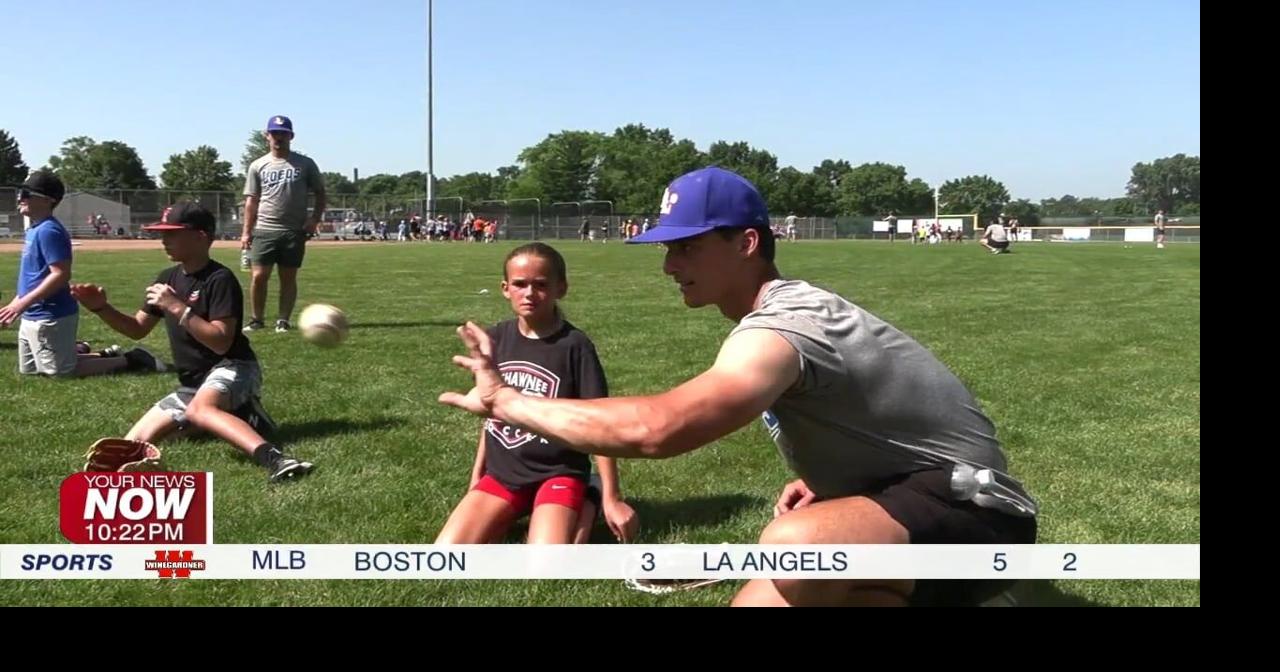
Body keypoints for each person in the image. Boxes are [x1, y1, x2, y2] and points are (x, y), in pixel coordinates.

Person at [440, 167, 1038, 606]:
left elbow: (658, 429)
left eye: (687, 246)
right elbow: (888, 415)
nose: (670, 265)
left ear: (746, 243)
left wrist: (506, 402)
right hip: (916, 499)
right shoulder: (776, 316)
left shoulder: (785, 326)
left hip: (981, 517)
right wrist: (830, 481)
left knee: (796, 543)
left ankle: (982, 592)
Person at [71, 202, 313, 483]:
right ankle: (241, 414)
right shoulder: (167, 278)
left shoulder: (219, 279)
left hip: (232, 366)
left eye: (172, 233)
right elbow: (137, 329)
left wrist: (177, 307)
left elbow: (221, 342)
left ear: (201, 236)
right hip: (193, 383)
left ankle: (275, 458)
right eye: (162, 233)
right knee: (134, 442)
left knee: (201, 410)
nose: (164, 240)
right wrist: (102, 308)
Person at [436, 243, 638, 544]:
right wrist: (476, 477)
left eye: (540, 285)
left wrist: (612, 497)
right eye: (519, 284)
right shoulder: (496, 339)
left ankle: (589, 497)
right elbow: (492, 413)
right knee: (448, 552)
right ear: (505, 288)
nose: (529, 293)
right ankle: (524, 509)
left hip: (558, 471)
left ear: (561, 288)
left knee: (545, 563)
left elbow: (600, 423)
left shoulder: (574, 345)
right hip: (505, 472)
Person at [1, 172, 157, 377]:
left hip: (50, 314)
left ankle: (130, 360)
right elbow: (33, 278)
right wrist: (15, 304)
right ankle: (101, 354)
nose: (20, 198)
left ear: (49, 200)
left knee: (61, 372)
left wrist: (22, 304)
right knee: (31, 370)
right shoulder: (34, 230)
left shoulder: (49, 231)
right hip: (32, 312)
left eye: (27, 194)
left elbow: (60, 274)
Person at [241, 115, 326, 333]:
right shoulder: (258, 165)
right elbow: (251, 200)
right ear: (267, 136)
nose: (279, 137)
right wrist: (246, 232)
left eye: (284, 133)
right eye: (275, 133)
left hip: (293, 231)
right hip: (264, 228)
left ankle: (283, 320)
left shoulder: (305, 164)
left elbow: (320, 192)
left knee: (288, 278)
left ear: (291, 136)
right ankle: (257, 319)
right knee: (259, 277)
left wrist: (314, 219)